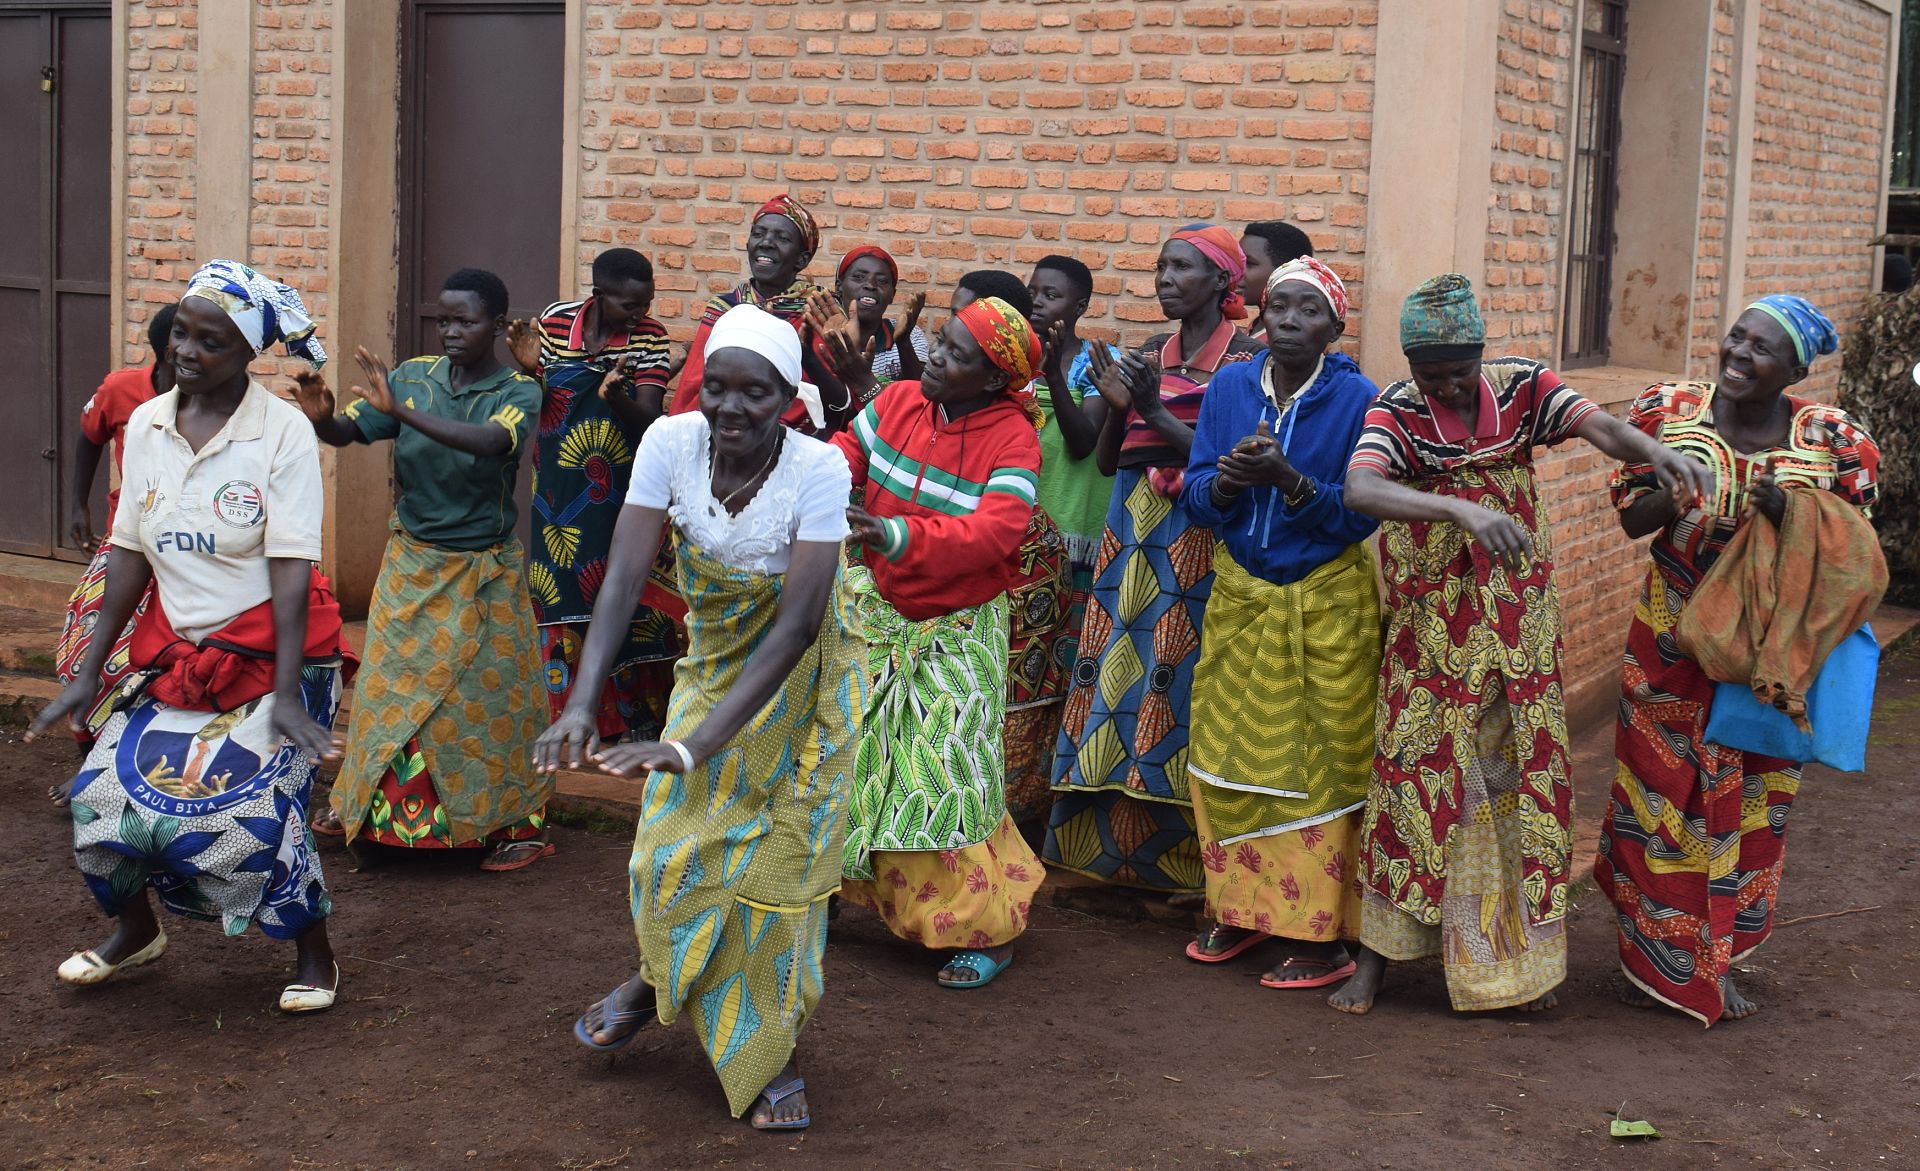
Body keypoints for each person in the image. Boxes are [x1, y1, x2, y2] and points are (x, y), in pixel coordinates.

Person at [1332, 273, 1712, 1015]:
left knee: (1520, 774)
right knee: (1414, 772)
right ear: (1412, 367)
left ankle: (1517, 965)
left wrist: (1652, 453)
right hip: (1431, 629)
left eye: (1459, 371)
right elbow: (1360, 489)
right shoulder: (1397, 409)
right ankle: (1376, 960)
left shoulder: (1521, 387)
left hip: (1518, 618)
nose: (1445, 386)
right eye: (1431, 373)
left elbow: (1597, 425)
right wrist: (1455, 508)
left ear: (1482, 355)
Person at [535, 304, 861, 1130]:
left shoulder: (819, 469)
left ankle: (769, 1059)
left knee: (773, 884)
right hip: (714, 666)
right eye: (717, 386)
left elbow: (796, 626)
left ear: (789, 395)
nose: (730, 408)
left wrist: (692, 744)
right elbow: (622, 574)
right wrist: (581, 702)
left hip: (809, 689)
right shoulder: (670, 442)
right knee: (663, 859)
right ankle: (655, 974)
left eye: (755, 393)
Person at [27, 260, 352, 1012]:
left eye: (211, 340)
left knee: (261, 812)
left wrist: (285, 697)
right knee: (101, 801)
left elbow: (293, 572)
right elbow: (132, 549)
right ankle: (135, 931)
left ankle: (313, 952)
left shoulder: (281, 436)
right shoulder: (145, 422)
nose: (188, 350)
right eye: (182, 332)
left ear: (246, 353)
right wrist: (90, 670)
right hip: (176, 654)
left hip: (276, 651)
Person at [1597, 295, 1879, 1025]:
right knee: (1658, 800)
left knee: (1751, 806)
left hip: (1767, 655)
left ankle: (1714, 959)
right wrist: (1672, 487)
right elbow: (1632, 520)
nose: (1738, 354)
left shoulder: (1831, 441)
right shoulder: (1669, 414)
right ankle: (1654, 960)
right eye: (1736, 337)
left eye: (1761, 348)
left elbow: (1853, 554)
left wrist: (1789, 513)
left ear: (1792, 368)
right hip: (1668, 641)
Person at [295, 268, 552, 871]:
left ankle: (513, 824)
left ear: (495, 325)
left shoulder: (517, 390)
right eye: (445, 320)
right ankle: (363, 803)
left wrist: (402, 415)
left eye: (466, 321)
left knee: (488, 702)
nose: (452, 332)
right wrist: (321, 418)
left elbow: (490, 443)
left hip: (482, 572)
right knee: (388, 691)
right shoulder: (412, 378)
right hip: (412, 563)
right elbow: (353, 431)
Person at [829, 295, 1048, 988]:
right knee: (851, 755)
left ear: (990, 380)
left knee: (947, 768)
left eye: (955, 352)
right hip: (875, 612)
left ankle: (981, 926)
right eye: (940, 339)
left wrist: (897, 533)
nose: (935, 354)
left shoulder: (1013, 438)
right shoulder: (895, 402)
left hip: (956, 624)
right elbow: (845, 457)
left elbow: (998, 531)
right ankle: (829, 891)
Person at [1178, 258, 1382, 988]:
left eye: (1308, 310)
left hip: (1325, 605)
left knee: (1323, 765)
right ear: (1260, 318)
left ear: (1334, 324)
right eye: (1278, 308)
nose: (1290, 321)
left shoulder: (1359, 398)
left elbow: (1360, 512)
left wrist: (1290, 481)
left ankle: (1320, 935)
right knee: (1227, 755)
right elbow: (1197, 494)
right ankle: (1239, 909)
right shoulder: (1231, 387)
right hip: (1242, 599)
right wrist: (1230, 479)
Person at [1046, 224, 1263, 893]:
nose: (1165, 279)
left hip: (1197, 534)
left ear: (1224, 281)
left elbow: (1229, 460)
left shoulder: (1245, 360)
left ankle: (1185, 866)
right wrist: (1120, 407)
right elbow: (1110, 458)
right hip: (1130, 528)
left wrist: (1148, 407)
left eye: (1182, 268)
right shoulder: (1148, 351)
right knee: (1114, 682)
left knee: (1179, 681)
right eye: (1161, 266)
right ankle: (1108, 856)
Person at [507, 247, 680, 749]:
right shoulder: (557, 322)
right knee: (559, 582)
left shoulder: (650, 338)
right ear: (599, 294)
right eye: (630, 304)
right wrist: (528, 371)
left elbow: (649, 420)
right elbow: (539, 398)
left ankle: (635, 716)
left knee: (621, 581)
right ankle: (568, 712)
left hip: (621, 482)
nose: (640, 314)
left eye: (646, 303)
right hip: (557, 483)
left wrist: (616, 396)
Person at [49, 303, 176, 794]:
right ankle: (89, 760)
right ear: (167, 350)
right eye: (184, 343)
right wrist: (78, 506)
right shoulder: (122, 389)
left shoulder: (215, 403)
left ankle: (127, 768)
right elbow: (89, 437)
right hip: (125, 541)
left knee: (153, 661)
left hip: (184, 552)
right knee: (82, 652)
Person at [671, 195, 849, 433]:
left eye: (782, 238)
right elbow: (692, 388)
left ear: (802, 259)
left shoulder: (817, 311)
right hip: (722, 435)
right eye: (758, 234)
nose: (766, 242)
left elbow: (834, 399)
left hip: (793, 440)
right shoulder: (723, 308)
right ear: (748, 245)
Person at [833, 244, 927, 391]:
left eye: (882, 281)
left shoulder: (911, 335)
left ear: (892, 295)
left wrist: (903, 343)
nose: (870, 285)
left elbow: (921, 395)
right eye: (859, 277)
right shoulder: (822, 333)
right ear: (839, 287)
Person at [1239, 220, 1315, 339]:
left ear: (1283, 270)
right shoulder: (1259, 324)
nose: (1236, 271)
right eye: (1238, 262)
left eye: (1249, 263)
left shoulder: (1286, 338)